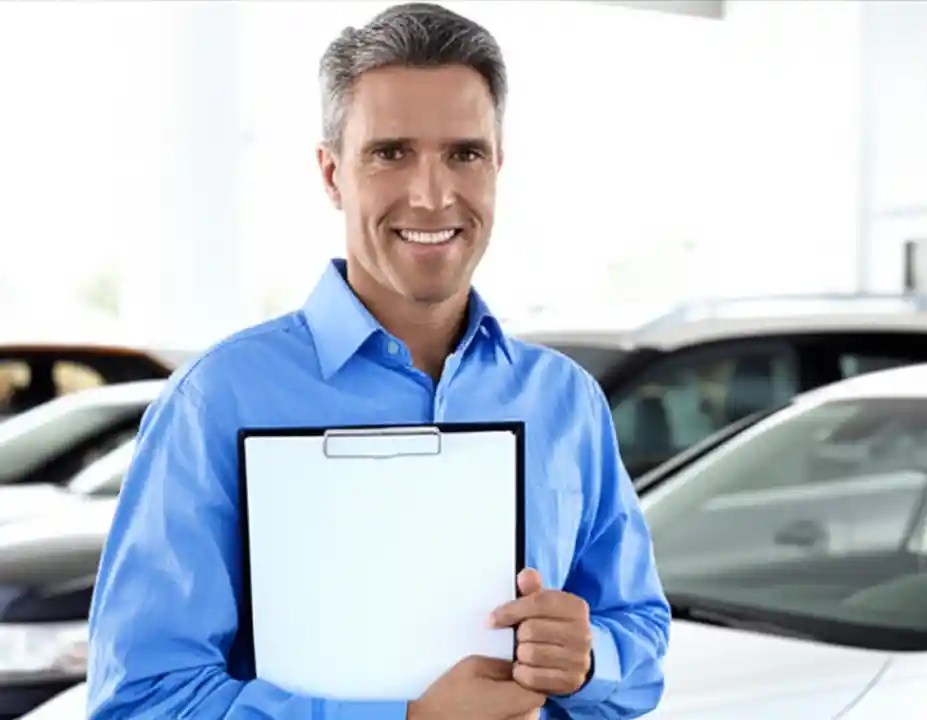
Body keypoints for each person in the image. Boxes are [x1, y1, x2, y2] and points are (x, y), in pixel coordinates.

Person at [85, 3, 671, 718]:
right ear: (332, 174)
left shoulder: (564, 401)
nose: (432, 194)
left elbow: (638, 650)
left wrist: (587, 660)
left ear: (498, 166)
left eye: (465, 153)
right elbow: (144, 701)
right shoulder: (218, 401)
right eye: (390, 153)